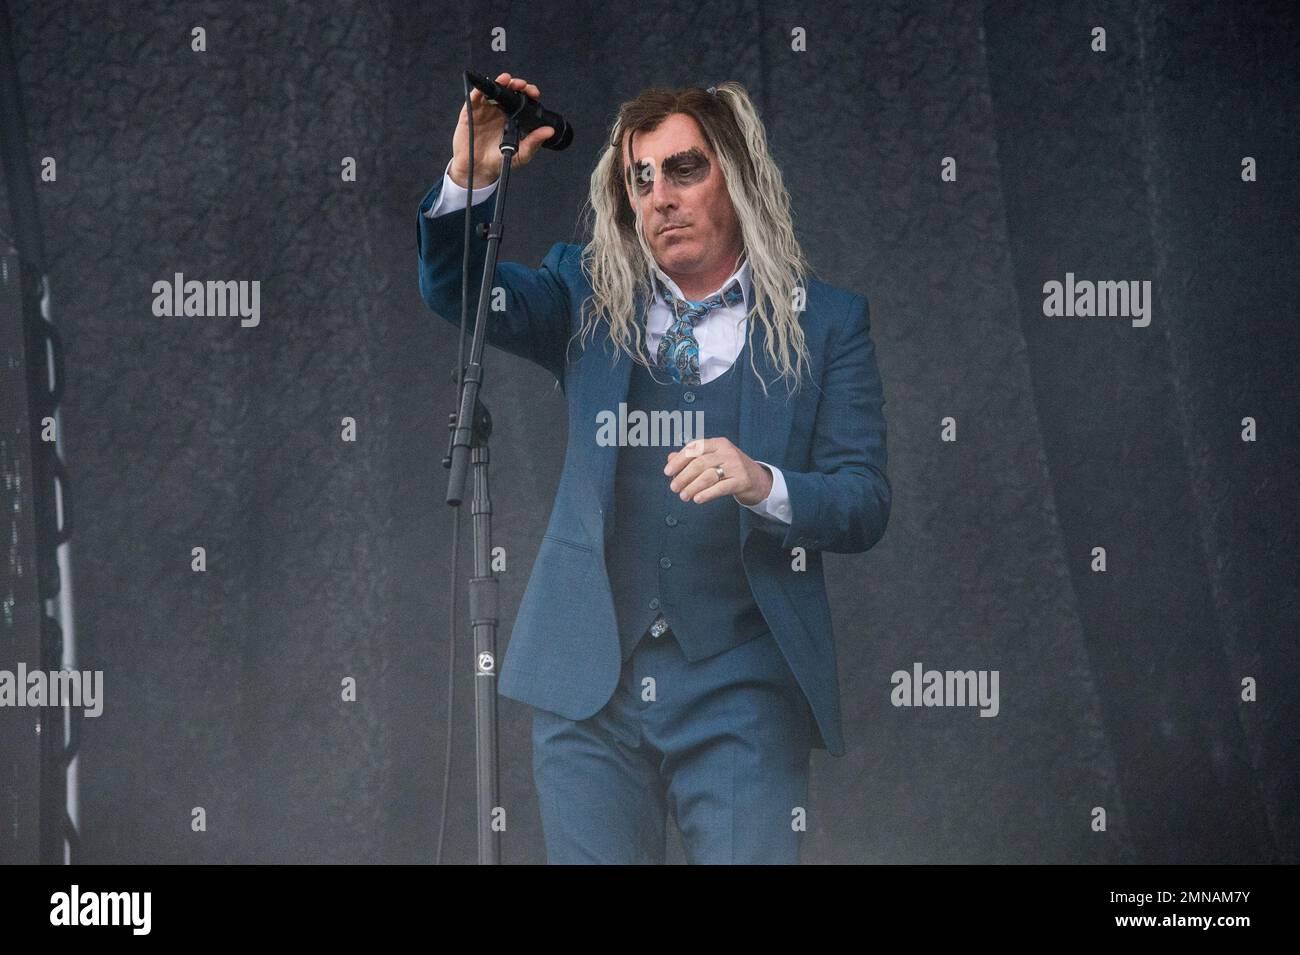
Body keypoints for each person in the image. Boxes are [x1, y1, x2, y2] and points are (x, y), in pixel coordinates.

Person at [417, 72, 890, 864]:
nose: (659, 195)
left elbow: (864, 500)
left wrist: (763, 481)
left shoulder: (826, 323)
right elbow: (457, 291)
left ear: (735, 178)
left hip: (741, 688)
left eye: (684, 168)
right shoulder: (587, 294)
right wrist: (470, 175)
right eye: (640, 177)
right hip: (589, 687)